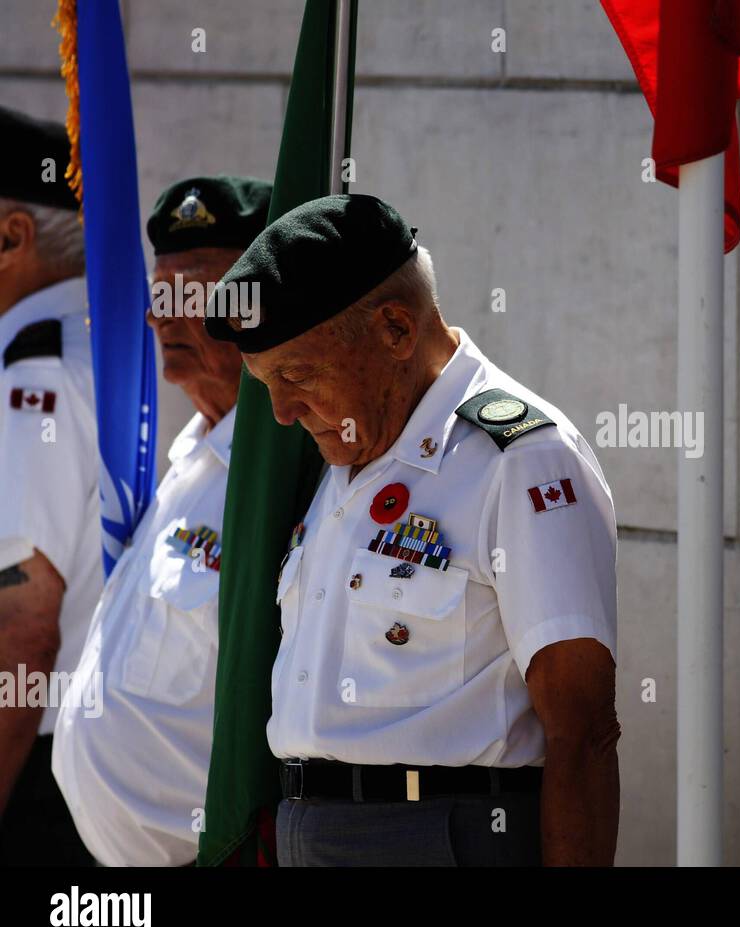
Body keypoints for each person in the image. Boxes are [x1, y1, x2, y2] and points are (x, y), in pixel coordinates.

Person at [205, 193, 621, 866]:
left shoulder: (520, 459)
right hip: (303, 834)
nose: (281, 412)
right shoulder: (343, 454)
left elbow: (583, 732)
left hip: (438, 837)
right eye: (265, 384)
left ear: (395, 330)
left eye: (297, 375)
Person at [52, 176, 271, 866]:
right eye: (159, 291)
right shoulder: (194, 458)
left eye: (193, 292)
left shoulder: (279, 484)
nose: (160, 317)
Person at [0, 105, 97, 866]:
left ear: (11, 239)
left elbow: (21, 632)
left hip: (34, 768)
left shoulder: (35, 376)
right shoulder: (115, 349)